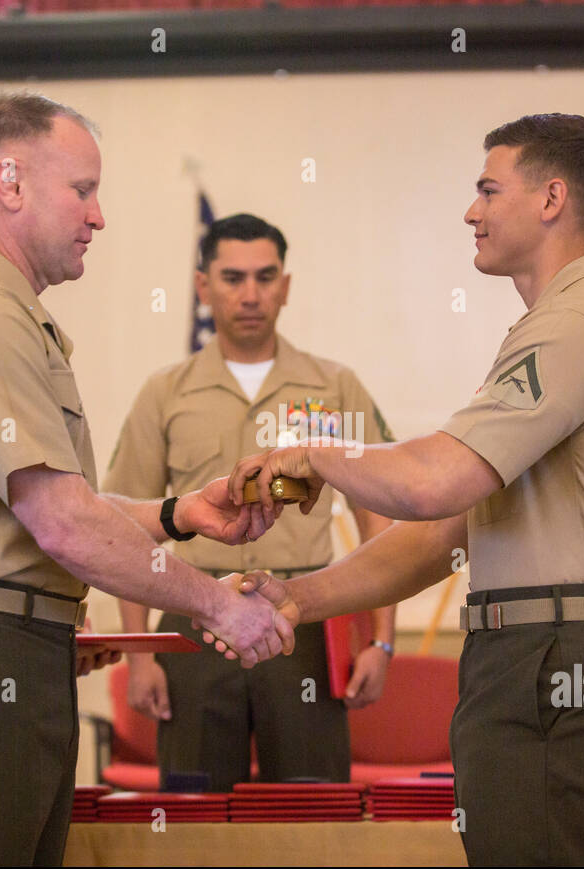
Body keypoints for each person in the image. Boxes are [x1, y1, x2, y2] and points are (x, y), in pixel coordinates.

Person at [0, 92, 293, 866]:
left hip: (9, 650)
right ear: (11, 184)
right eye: (83, 191)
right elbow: (61, 522)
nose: (99, 217)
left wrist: (180, 512)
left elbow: (57, 506)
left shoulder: (7, 313)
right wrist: (217, 605)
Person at [223, 113, 584, 865]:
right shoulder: (557, 328)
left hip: (557, 659)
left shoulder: (575, 327)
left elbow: (436, 480)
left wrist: (316, 453)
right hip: (535, 654)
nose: (472, 210)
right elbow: (445, 529)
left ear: (552, 197)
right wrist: (301, 600)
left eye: (488, 189)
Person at [104, 213, 397, 791]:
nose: (250, 294)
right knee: (194, 809)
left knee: (314, 810)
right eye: (233, 278)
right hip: (192, 621)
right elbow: (125, 525)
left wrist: (381, 641)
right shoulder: (165, 393)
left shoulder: (335, 388)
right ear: (202, 286)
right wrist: (139, 655)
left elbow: (379, 519)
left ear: (285, 286)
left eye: (265, 277)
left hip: (303, 622)